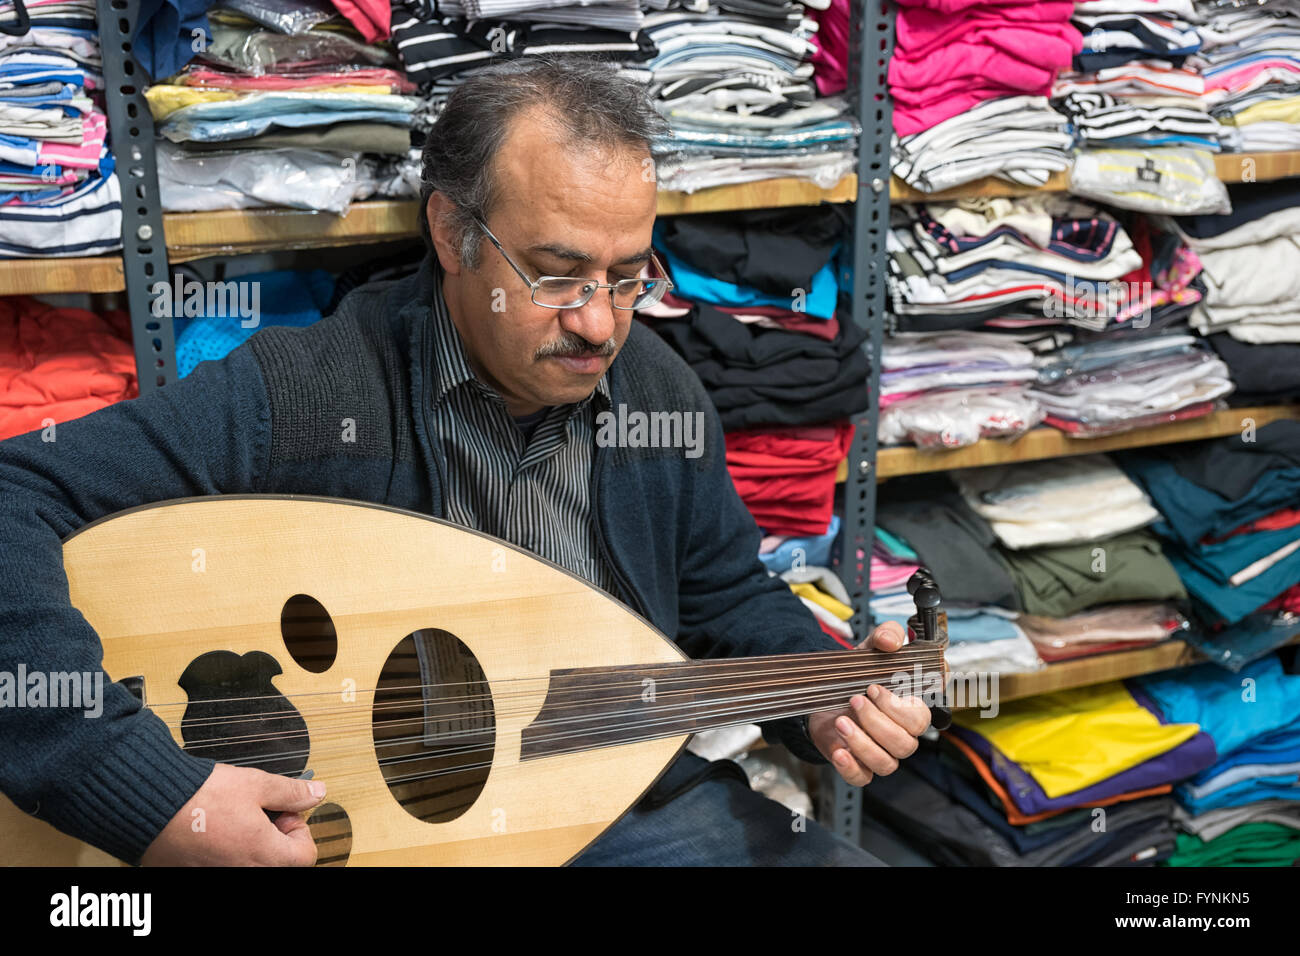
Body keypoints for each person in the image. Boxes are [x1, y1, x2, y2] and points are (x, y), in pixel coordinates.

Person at [0, 56, 929, 867]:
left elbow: (723, 592)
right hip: (359, 825)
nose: (600, 323)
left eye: (628, 276)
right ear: (453, 234)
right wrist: (140, 785)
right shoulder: (316, 392)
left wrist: (820, 690)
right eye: (557, 274)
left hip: (610, 804)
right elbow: (12, 496)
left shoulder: (657, 393)